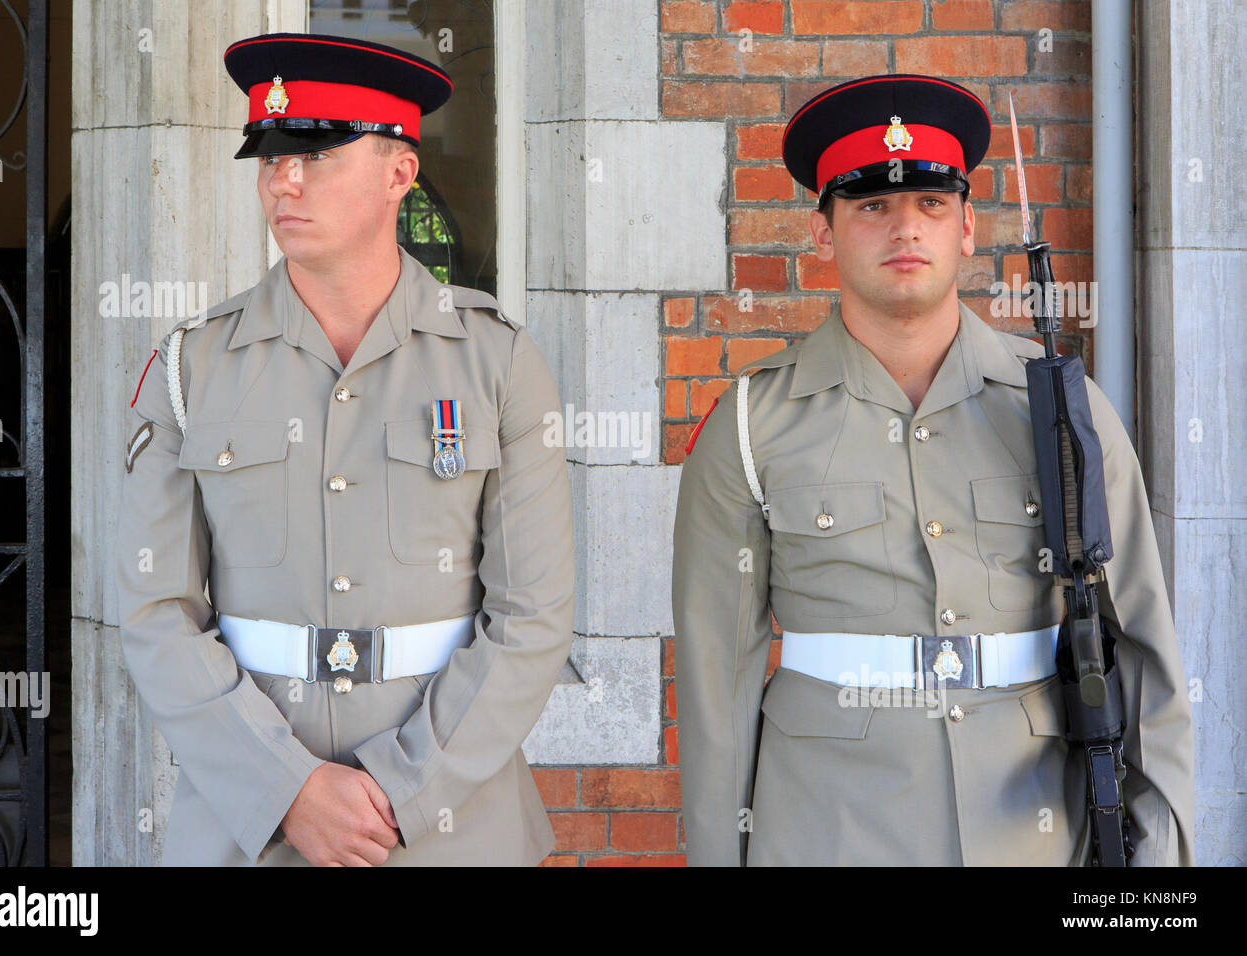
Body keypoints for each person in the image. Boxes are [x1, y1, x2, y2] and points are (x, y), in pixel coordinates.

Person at [672, 73, 1194, 866]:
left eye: (930, 204)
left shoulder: (1057, 411)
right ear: (823, 233)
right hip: (826, 830)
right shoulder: (751, 424)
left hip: (1032, 832)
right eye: (871, 205)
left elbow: (1143, 649)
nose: (904, 228)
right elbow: (718, 686)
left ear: (967, 227)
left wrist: (1153, 871)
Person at [115, 32, 574, 866]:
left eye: (316, 153)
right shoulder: (191, 366)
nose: (283, 180)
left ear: (401, 171)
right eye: (268, 157)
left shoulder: (497, 360)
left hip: (452, 826)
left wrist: (402, 791)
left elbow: (532, 619)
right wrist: (285, 790)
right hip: (248, 828)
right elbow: (156, 615)